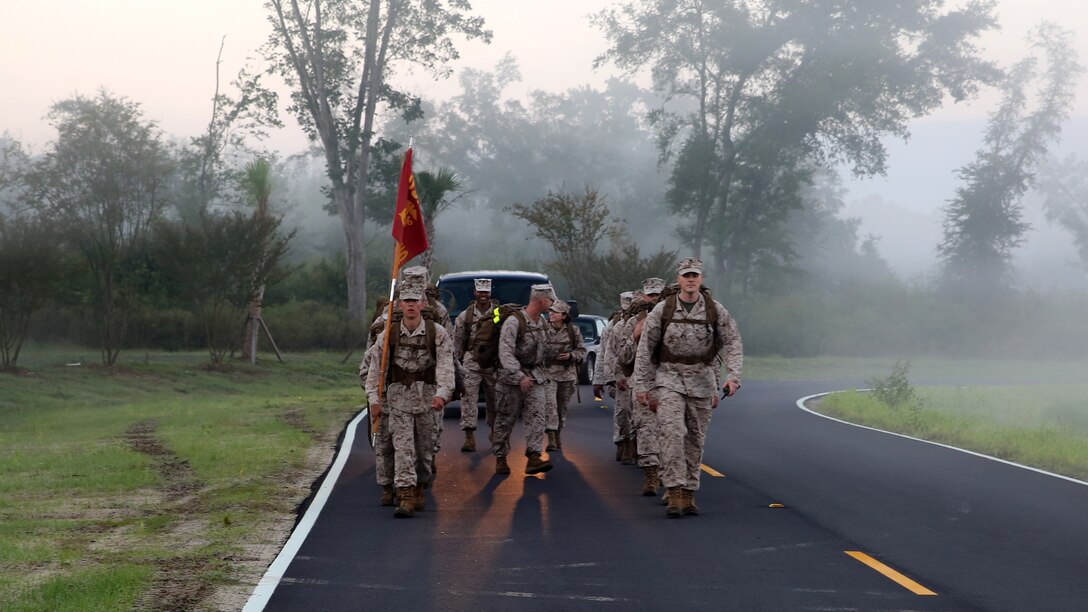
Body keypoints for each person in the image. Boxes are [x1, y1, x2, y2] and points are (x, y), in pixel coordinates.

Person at [633, 258, 742, 518]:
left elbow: (732, 341)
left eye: (695, 275)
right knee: (672, 433)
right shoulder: (663, 309)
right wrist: (642, 386)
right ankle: (675, 490)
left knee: (695, 439)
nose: (690, 280)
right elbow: (646, 348)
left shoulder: (715, 310)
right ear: (679, 279)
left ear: (701, 279)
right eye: (686, 275)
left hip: (702, 379)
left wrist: (733, 376)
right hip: (669, 378)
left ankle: (689, 492)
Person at [364, 280, 456, 518]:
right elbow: (375, 371)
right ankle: (404, 495)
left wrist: (442, 394)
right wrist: (374, 400)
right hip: (398, 399)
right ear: (400, 305)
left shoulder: (438, 333)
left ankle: (419, 486)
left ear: (423, 303)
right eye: (407, 301)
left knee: (425, 452)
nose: (411, 305)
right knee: (403, 448)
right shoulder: (388, 335)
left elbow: (446, 367)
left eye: (415, 301)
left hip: (427, 399)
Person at [491, 283, 555, 475]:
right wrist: (519, 376)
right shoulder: (514, 322)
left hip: (535, 376)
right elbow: (505, 354)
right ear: (542, 300)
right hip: (510, 380)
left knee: (537, 416)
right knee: (504, 420)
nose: (552, 304)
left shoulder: (542, 322)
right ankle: (501, 457)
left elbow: (546, 348)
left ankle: (534, 456)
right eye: (550, 300)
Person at [617, 277, 666, 496]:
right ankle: (650, 474)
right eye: (651, 295)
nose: (654, 299)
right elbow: (623, 358)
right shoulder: (633, 321)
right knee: (646, 430)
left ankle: (669, 477)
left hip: (670, 383)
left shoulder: (672, 318)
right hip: (643, 383)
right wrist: (635, 337)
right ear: (644, 296)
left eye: (658, 295)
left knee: (669, 432)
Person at [451, 277, 499, 452]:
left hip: (492, 363)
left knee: (495, 400)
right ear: (475, 292)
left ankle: (495, 432)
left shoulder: (497, 314)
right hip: (472, 361)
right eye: (480, 292)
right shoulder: (466, 316)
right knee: (468, 399)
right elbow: (457, 343)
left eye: (486, 292)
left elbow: (503, 336)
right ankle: (469, 436)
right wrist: (455, 366)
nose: (483, 295)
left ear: (490, 293)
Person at [593, 291, 635, 461]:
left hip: (641, 375)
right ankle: (623, 442)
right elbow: (604, 353)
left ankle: (639, 446)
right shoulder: (613, 326)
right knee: (623, 411)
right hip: (621, 375)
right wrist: (601, 379)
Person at [541, 299, 586, 451]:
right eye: (550, 311)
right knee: (550, 406)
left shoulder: (574, 331)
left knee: (561, 408)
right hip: (548, 374)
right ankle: (551, 437)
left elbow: (582, 352)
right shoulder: (543, 329)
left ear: (564, 315)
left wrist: (570, 356)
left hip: (567, 375)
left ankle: (558, 432)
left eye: (555, 312)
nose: (551, 314)